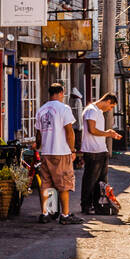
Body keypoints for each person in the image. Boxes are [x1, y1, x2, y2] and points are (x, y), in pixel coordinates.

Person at [35, 82, 80, 224]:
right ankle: (65, 215)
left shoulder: (41, 109)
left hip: (46, 152)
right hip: (61, 151)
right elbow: (69, 131)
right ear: (61, 93)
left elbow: (39, 133)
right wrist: (72, 150)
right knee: (64, 185)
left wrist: (39, 147)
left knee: (46, 184)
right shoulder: (64, 108)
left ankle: (45, 213)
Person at [80, 92, 123, 214]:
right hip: (93, 151)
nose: (110, 109)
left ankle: (98, 204)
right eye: (111, 106)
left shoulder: (97, 111)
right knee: (90, 180)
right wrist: (108, 133)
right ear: (108, 101)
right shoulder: (92, 110)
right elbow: (92, 130)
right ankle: (86, 205)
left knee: (101, 181)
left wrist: (109, 133)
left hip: (100, 149)